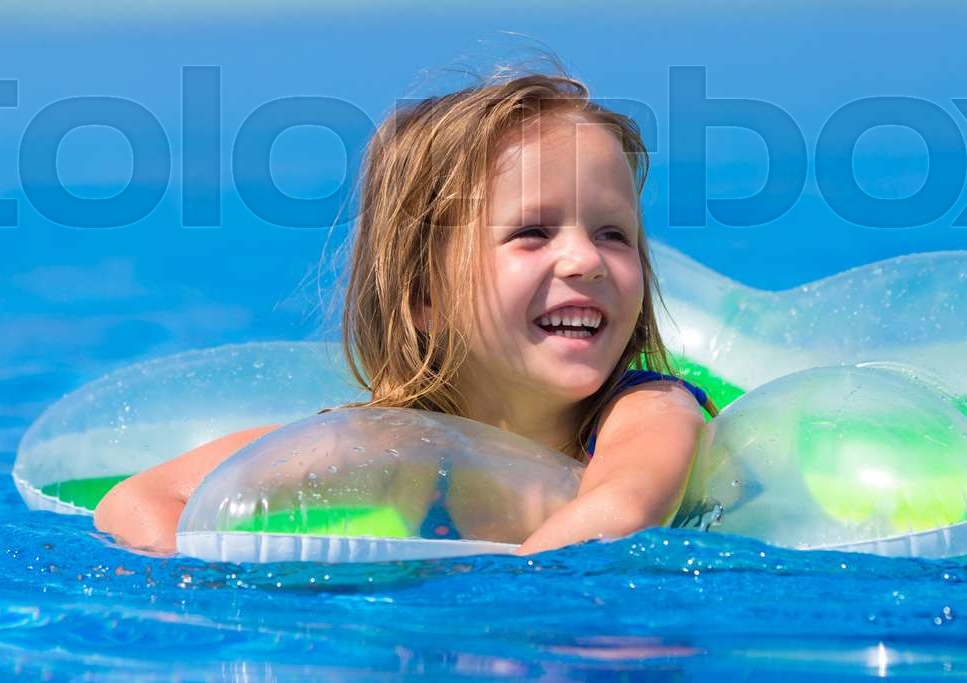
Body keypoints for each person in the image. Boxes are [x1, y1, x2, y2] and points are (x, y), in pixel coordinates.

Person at [94, 69, 715, 553]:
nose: (587, 260)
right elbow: (137, 498)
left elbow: (622, 508)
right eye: (532, 232)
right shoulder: (390, 444)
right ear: (424, 297)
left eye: (615, 234)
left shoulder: (650, 410)